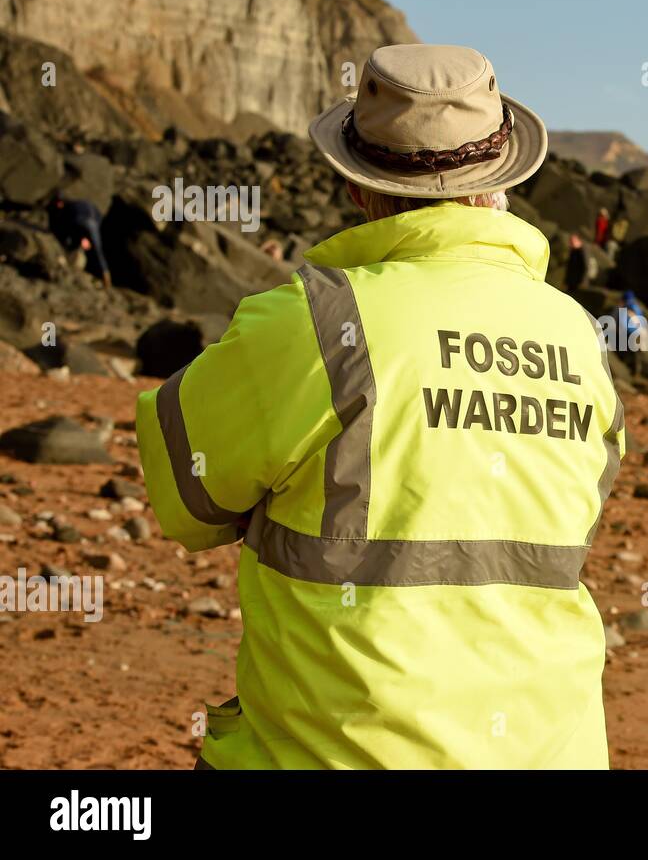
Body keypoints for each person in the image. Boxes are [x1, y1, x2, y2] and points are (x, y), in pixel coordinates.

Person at [135, 44, 623, 770]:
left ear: (359, 187)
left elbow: (186, 497)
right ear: (499, 183)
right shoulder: (580, 337)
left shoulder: (310, 322)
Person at [46, 192, 111, 288]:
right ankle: (106, 279)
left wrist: (81, 239)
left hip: (79, 223)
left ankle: (68, 264)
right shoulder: (83, 203)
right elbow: (98, 217)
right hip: (93, 224)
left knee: (73, 246)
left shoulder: (68, 208)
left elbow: (70, 224)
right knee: (97, 251)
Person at [617, 290, 648, 376]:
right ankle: (636, 371)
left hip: (634, 333)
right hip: (639, 332)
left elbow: (626, 322)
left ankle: (635, 371)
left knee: (634, 353)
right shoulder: (635, 307)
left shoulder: (629, 307)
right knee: (636, 353)